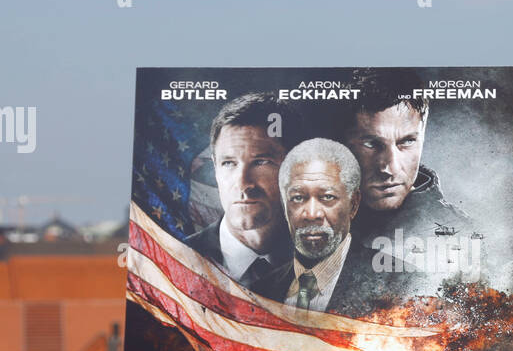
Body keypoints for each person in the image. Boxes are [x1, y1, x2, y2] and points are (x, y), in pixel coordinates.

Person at [333, 68, 476, 293]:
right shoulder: (310, 222)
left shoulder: (462, 233)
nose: (390, 167)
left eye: (407, 142)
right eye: (371, 144)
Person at [261, 138, 402, 318]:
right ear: (284, 205)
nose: (312, 214)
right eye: (297, 198)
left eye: (327, 197)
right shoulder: (261, 291)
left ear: (353, 204)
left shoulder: (400, 285)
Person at [184, 93, 304, 294]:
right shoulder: (168, 261)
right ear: (215, 167)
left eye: (260, 162)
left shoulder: (333, 267)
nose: (242, 183)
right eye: (228, 163)